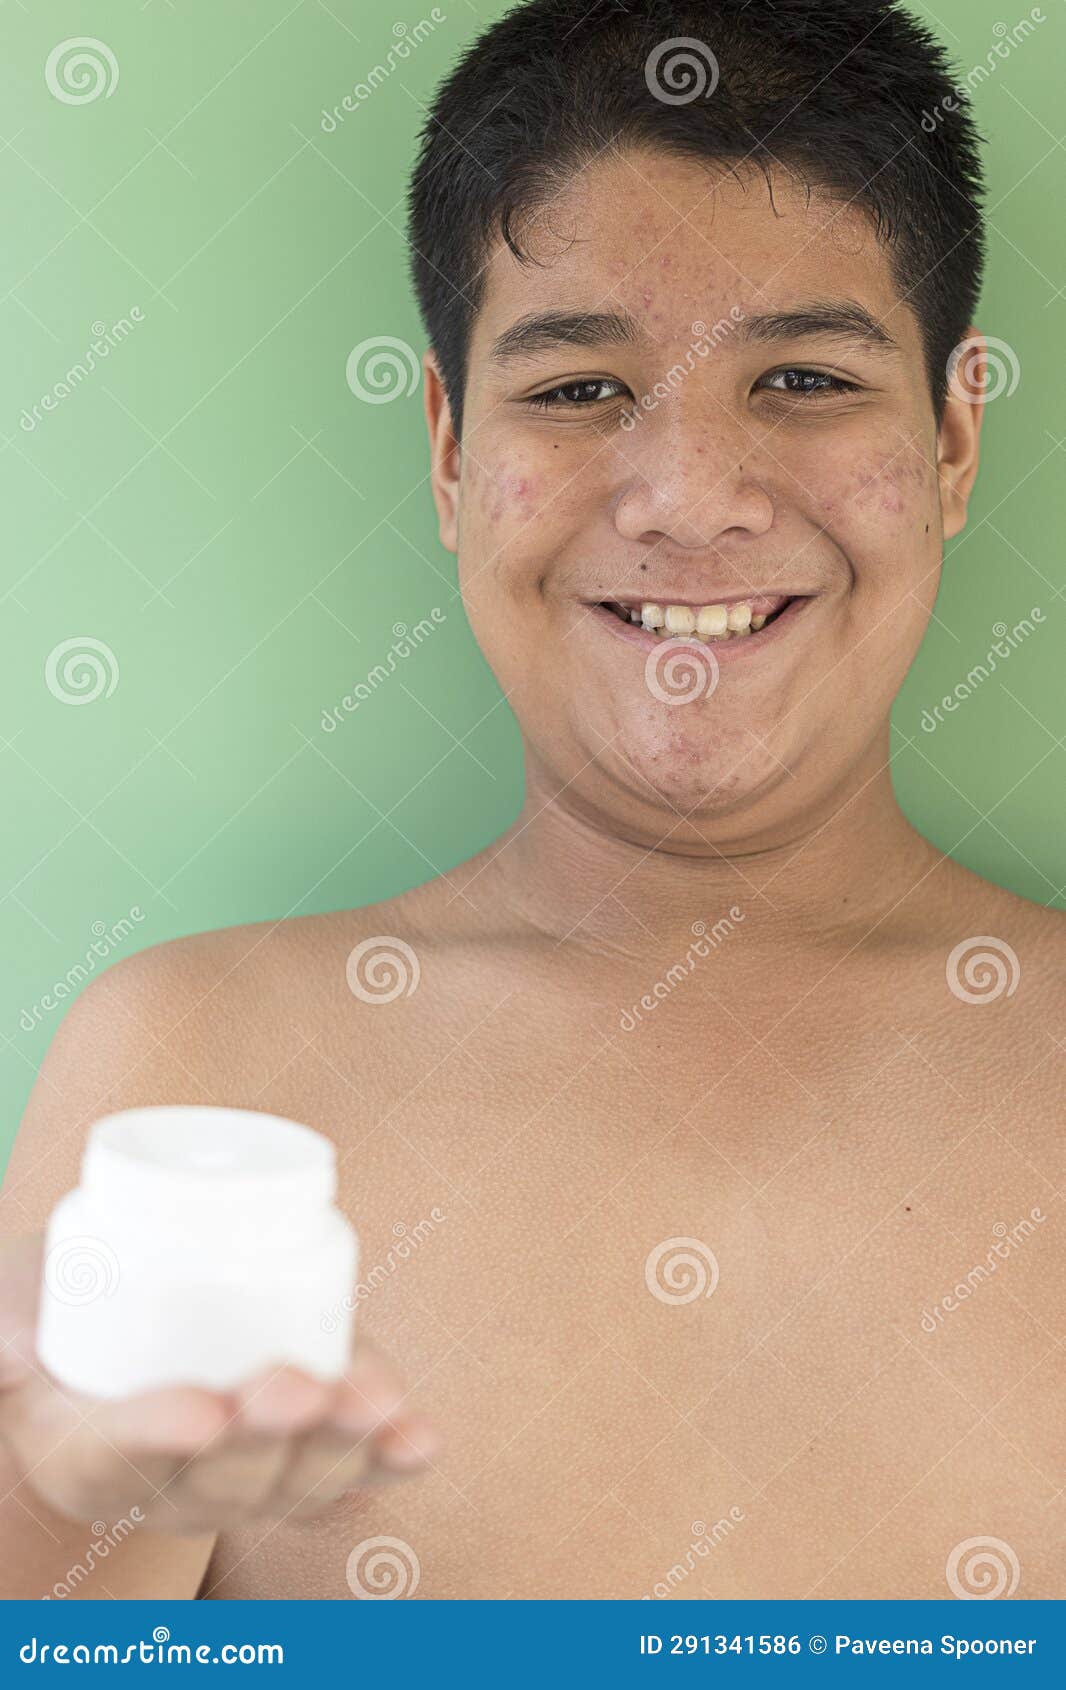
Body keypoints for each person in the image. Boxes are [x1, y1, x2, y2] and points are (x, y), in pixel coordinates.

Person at [2, 0, 1061, 1601]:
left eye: (800, 376)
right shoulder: (203, 1079)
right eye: (576, 390)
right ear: (448, 451)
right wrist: (57, 1515)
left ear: (952, 439)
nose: (688, 497)